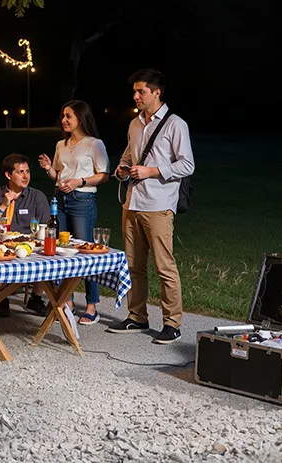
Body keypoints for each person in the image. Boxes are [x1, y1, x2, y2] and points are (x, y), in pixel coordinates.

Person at [109, 68, 195, 344]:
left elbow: (187, 164)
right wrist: (122, 169)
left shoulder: (175, 124)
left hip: (158, 204)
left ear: (157, 92)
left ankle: (172, 323)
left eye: (141, 91)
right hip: (132, 202)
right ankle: (137, 316)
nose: (136, 96)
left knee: (164, 266)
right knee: (133, 264)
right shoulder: (135, 124)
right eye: (134, 92)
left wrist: (151, 171)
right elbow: (128, 156)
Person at [39, 100, 110, 325]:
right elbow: (58, 175)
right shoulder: (61, 144)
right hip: (60, 199)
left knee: (86, 251)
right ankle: (66, 301)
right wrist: (49, 169)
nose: (64, 120)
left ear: (81, 118)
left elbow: (104, 174)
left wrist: (80, 181)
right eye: (63, 116)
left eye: (68, 116)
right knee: (61, 248)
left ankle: (91, 305)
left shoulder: (94, 144)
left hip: (82, 200)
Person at [0, 154, 53, 317]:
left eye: (28, 171)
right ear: (8, 175)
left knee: (46, 253)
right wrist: (3, 206)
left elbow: (45, 226)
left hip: (30, 245)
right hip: (2, 244)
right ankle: (1, 298)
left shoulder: (37, 196)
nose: (26, 176)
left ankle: (36, 298)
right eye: (20, 172)